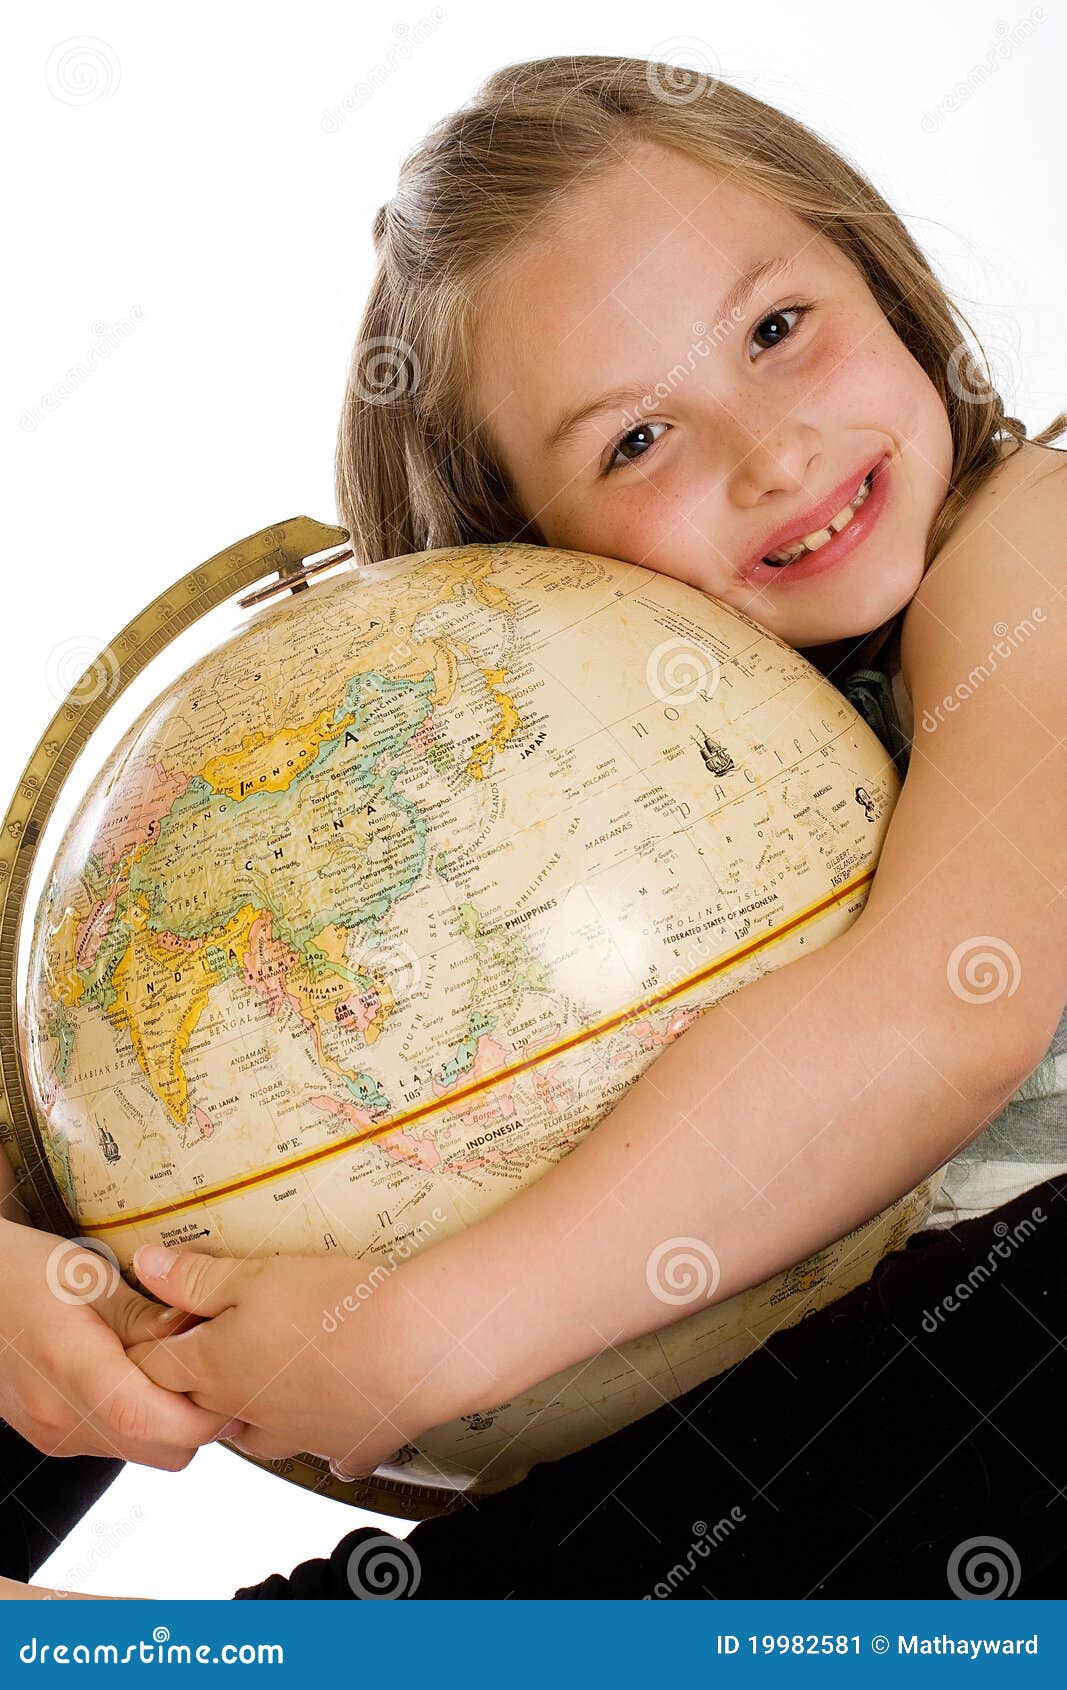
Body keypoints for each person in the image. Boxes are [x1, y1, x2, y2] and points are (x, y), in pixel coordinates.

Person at [2, 51, 1066, 1601]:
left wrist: (418, 1334)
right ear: (529, 566)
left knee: (984, 1325)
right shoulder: (630, 809)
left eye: (778, 328)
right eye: (635, 442)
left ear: (880, 276)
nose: (769, 454)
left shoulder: (1034, 532)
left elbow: (945, 1009)